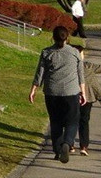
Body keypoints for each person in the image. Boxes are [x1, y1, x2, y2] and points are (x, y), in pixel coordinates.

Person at [30, 25, 87, 163]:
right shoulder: (74, 53)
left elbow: (40, 73)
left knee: (55, 121)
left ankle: (57, 149)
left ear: (53, 38)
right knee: (72, 121)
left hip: (52, 92)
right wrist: (83, 92)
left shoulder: (46, 52)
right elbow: (81, 74)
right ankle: (67, 143)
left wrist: (33, 89)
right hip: (71, 91)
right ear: (67, 37)